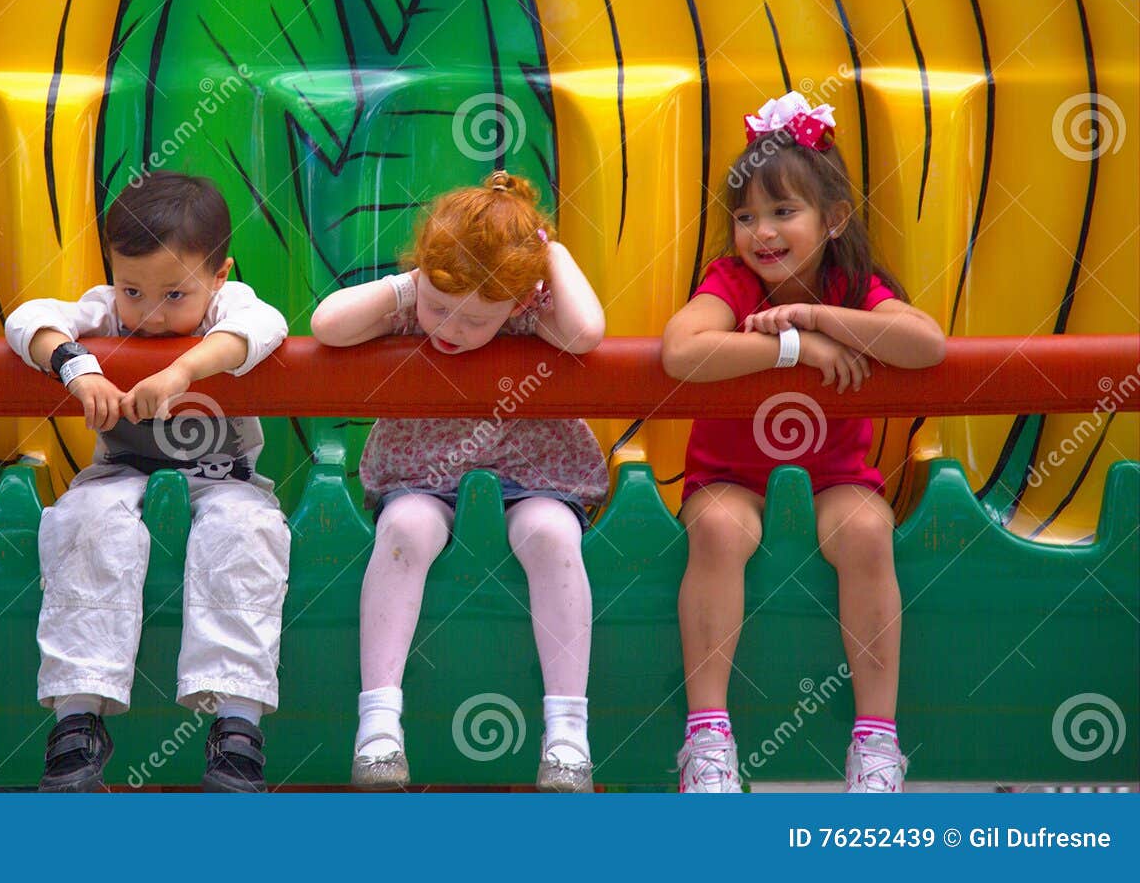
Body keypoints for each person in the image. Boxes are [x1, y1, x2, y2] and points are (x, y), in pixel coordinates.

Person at [660, 93, 946, 792]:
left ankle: (876, 742)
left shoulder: (851, 286)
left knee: (867, 536)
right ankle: (707, 741)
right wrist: (794, 346)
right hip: (730, 476)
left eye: (783, 213)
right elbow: (680, 352)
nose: (762, 233)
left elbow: (926, 343)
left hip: (837, 477)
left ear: (835, 218)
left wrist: (823, 317)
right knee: (721, 533)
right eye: (747, 217)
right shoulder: (732, 283)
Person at [311, 171, 607, 791]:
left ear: (520, 301)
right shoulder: (418, 304)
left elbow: (585, 333)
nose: (451, 328)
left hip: (535, 474)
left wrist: (549, 254)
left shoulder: (532, 317)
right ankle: (379, 726)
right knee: (405, 529)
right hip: (423, 474)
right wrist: (410, 289)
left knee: (552, 535)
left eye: (478, 320)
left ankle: (567, 735)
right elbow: (327, 324)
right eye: (442, 308)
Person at [4, 171, 290, 792]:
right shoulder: (105, 311)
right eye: (133, 288)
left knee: (247, 533)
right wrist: (78, 369)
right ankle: (77, 720)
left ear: (218, 276)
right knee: (84, 522)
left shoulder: (229, 305)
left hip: (222, 476)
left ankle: (236, 726)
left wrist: (181, 371)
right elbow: (28, 318)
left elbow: (263, 325)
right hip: (121, 471)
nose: (150, 314)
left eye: (173, 295)